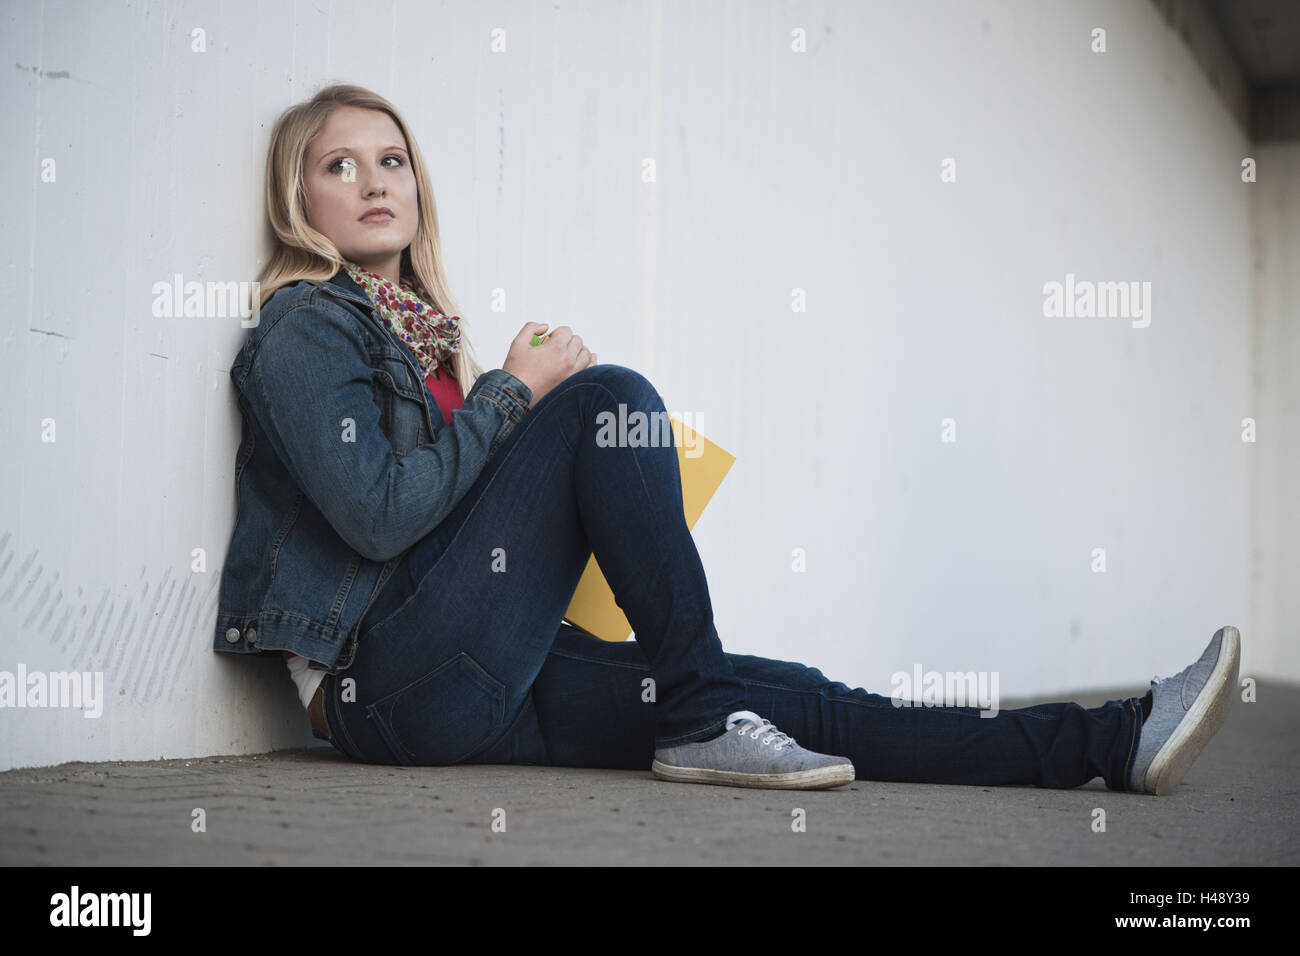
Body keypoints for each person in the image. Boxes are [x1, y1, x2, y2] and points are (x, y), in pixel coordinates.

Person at [214, 83, 1240, 795]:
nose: (371, 179)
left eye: (389, 159)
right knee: (609, 394)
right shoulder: (306, 325)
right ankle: (698, 713)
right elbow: (381, 513)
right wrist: (514, 398)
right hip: (381, 684)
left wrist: (496, 392)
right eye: (337, 165)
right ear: (296, 198)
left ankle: (1113, 738)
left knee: (802, 704)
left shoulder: (430, 339)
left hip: (481, 677)